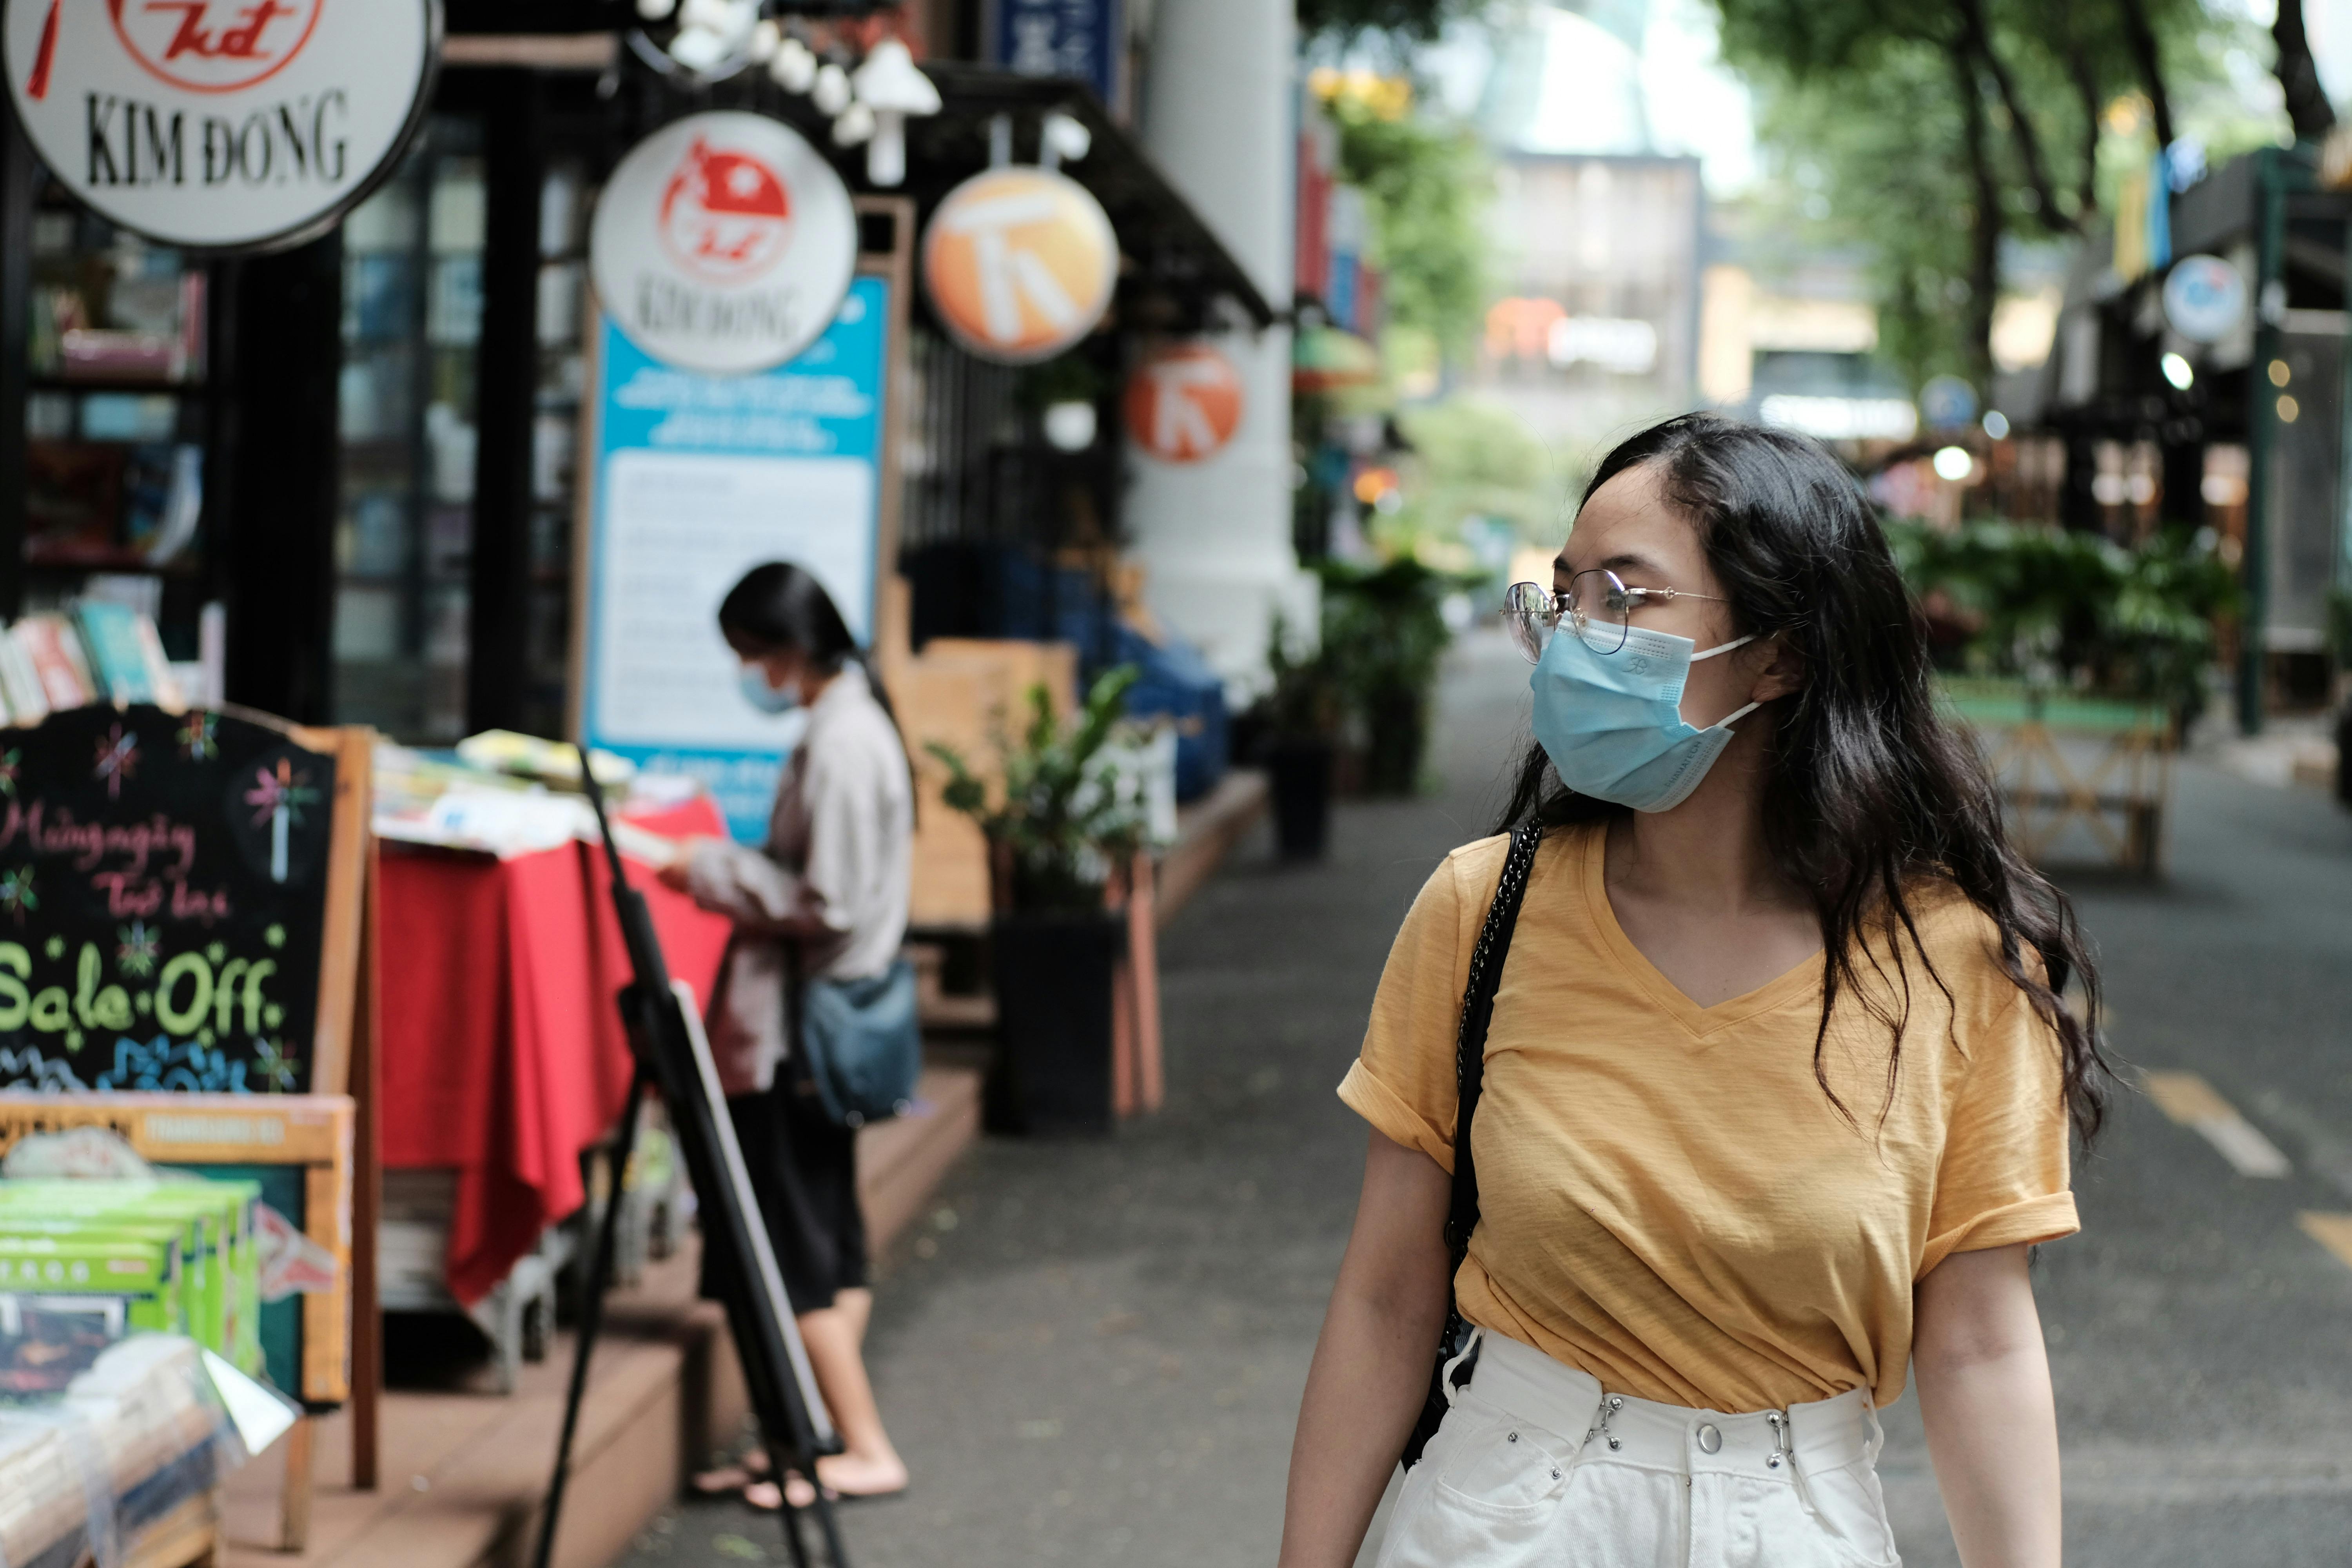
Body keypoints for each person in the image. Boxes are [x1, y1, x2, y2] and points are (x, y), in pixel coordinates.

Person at [1279, 414, 2111, 1568]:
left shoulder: (1955, 963)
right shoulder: (1482, 908)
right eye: (1563, 598)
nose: (1573, 639)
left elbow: (1979, 1345)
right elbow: (1386, 1294)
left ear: (1782, 653)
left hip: (1799, 1524)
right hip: (1500, 1511)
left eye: (1624, 598)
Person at [659, 561, 914, 1508]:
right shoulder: (853, 723)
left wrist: (707, 870)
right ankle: (809, 1438)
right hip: (828, 1028)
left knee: (788, 1255)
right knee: (827, 1246)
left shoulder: (842, 740)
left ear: (788, 649)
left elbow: (827, 899)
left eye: (749, 654)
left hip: (798, 1035)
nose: (747, 674)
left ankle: (863, 1445)